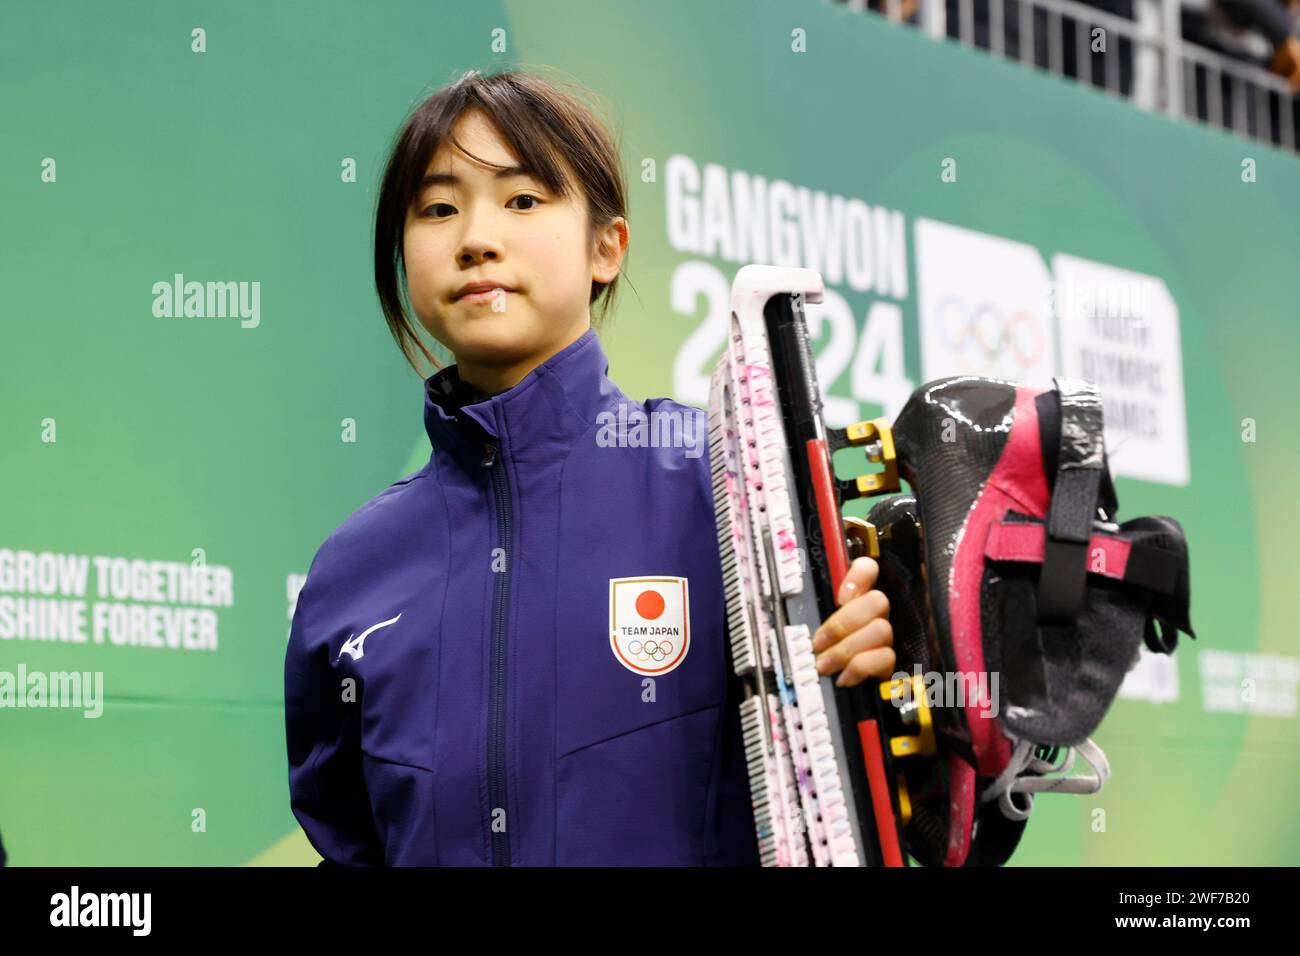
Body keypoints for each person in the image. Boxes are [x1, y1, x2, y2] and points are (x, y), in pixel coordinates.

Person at [284, 68, 896, 866]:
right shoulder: (352, 571)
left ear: (606, 247)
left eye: (522, 199)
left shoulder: (732, 491)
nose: (475, 238)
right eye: (438, 208)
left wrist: (872, 684)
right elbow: (348, 842)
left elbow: (921, 814)